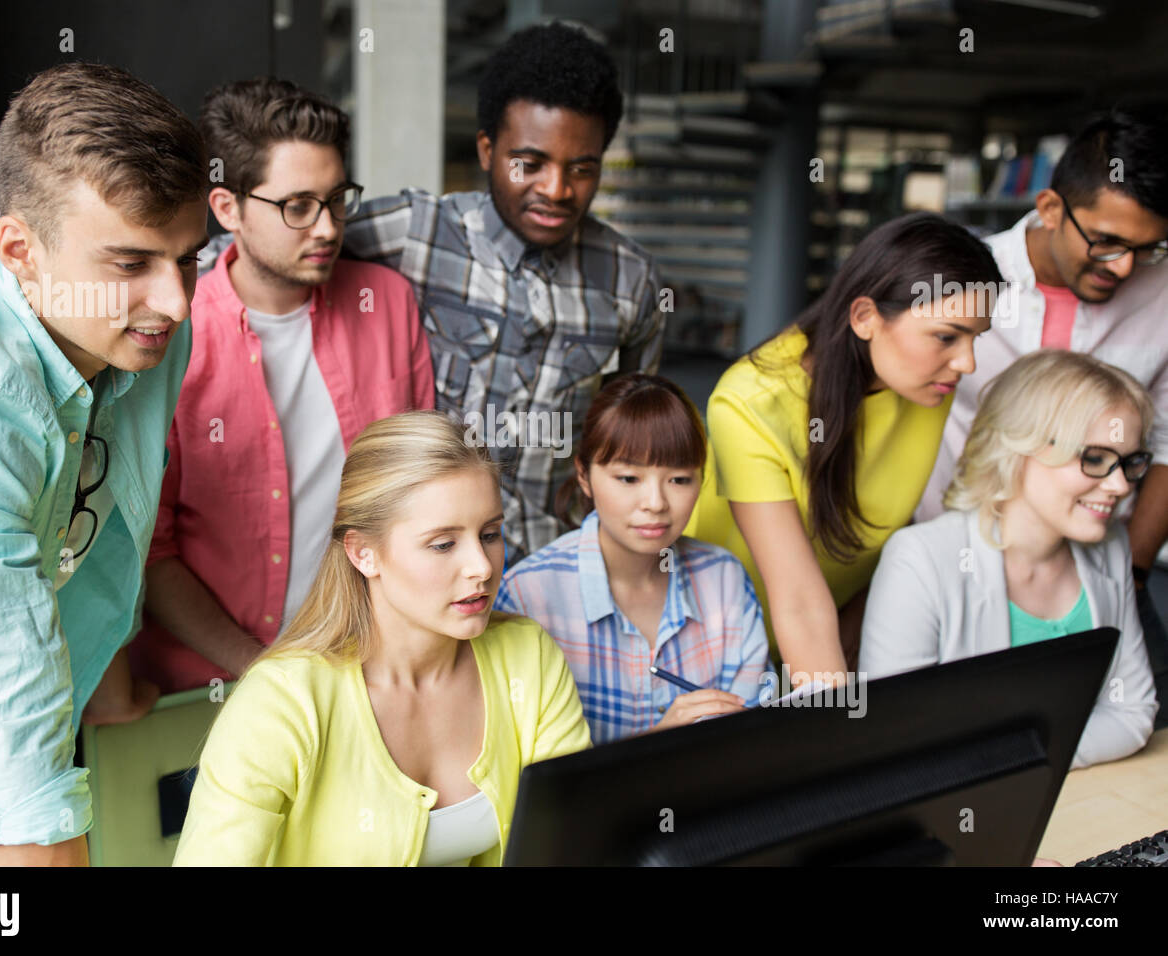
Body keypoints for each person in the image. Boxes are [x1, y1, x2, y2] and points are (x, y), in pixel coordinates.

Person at [0, 63, 207, 866]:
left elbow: (102, 510)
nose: (178, 302)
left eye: (188, 257)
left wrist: (111, 674)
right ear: (20, 249)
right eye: (130, 263)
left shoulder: (141, 327)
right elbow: (4, 737)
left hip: (4, 750)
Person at [173, 412, 590, 866]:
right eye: (443, 544)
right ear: (363, 553)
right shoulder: (283, 701)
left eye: (489, 534)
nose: (483, 567)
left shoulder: (527, 657)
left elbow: (571, 840)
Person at [129, 79, 434, 694]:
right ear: (226, 209)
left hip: (364, 677)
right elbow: (149, 553)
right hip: (210, 695)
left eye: (336, 198)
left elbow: (420, 491)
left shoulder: (387, 303)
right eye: (297, 206)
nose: (326, 227)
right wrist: (264, 673)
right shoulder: (169, 338)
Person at [339, 21, 665, 563]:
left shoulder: (632, 282)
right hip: (422, 571)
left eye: (582, 169)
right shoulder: (419, 234)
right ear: (488, 149)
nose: (557, 190)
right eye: (530, 164)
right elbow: (267, 245)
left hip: (556, 572)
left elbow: (634, 443)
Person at [915, 109, 1168, 713]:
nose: (1124, 267)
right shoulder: (964, 279)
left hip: (1098, 571)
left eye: (1146, 247)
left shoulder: (1163, 295)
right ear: (1051, 207)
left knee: (1144, 734)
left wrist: (1129, 570)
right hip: (954, 561)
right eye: (1106, 242)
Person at [684, 213, 1002, 685]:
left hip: (824, 644)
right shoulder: (751, 402)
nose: (966, 362)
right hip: (709, 649)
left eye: (976, 338)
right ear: (865, 317)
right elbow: (797, 599)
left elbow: (891, 535)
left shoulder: (927, 383)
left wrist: (858, 628)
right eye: (947, 336)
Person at [863, 350, 1158, 768]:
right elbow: (895, 741)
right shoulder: (920, 560)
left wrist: (1017, 758)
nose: (1119, 486)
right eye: (1094, 459)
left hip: (1078, 801)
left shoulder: (1110, 547)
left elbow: (1132, 715)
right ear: (1018, 447)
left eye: (1130, 463)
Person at [494, 374, 769, 744]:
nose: (655, 502)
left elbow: (755, 743)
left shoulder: (725, 580)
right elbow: (522, 768)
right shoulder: (527, 596)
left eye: (679, 480)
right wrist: (659, 744)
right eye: (628, 478)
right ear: (584, 476)